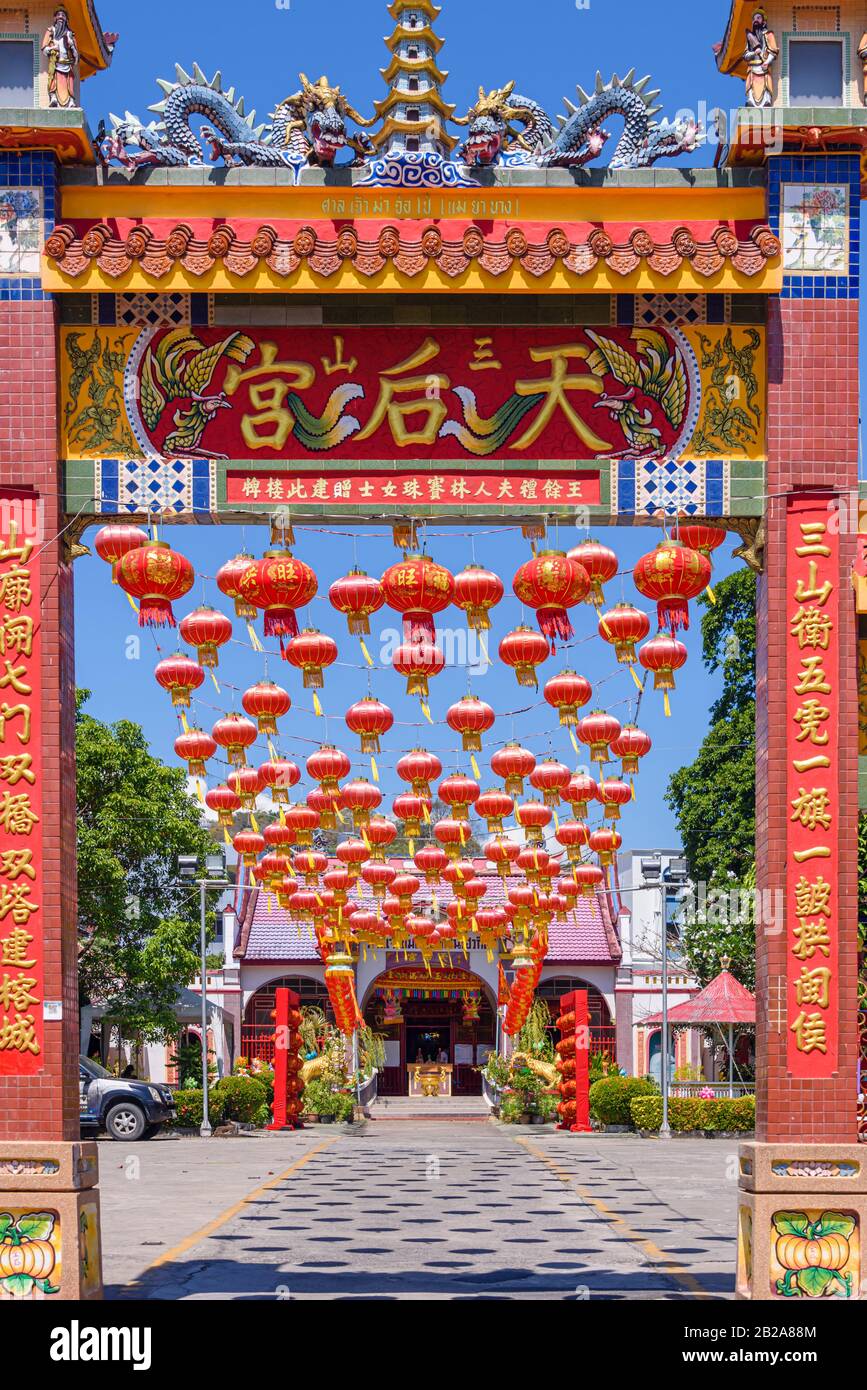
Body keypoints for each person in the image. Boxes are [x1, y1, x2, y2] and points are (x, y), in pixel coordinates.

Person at [42, 8, 79, 110]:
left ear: (66, 19)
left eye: (63, 16)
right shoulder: (51, 31)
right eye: (58, 15)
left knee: (69, 81)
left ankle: (71, 101)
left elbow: (76, 57)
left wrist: (72, 46)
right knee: (53, 79)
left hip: (67, 62)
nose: (61, 18)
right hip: (55, 61)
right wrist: (52, 48)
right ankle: (53, 97)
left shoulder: (70, 34)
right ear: (55, 18)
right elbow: (44, 48)